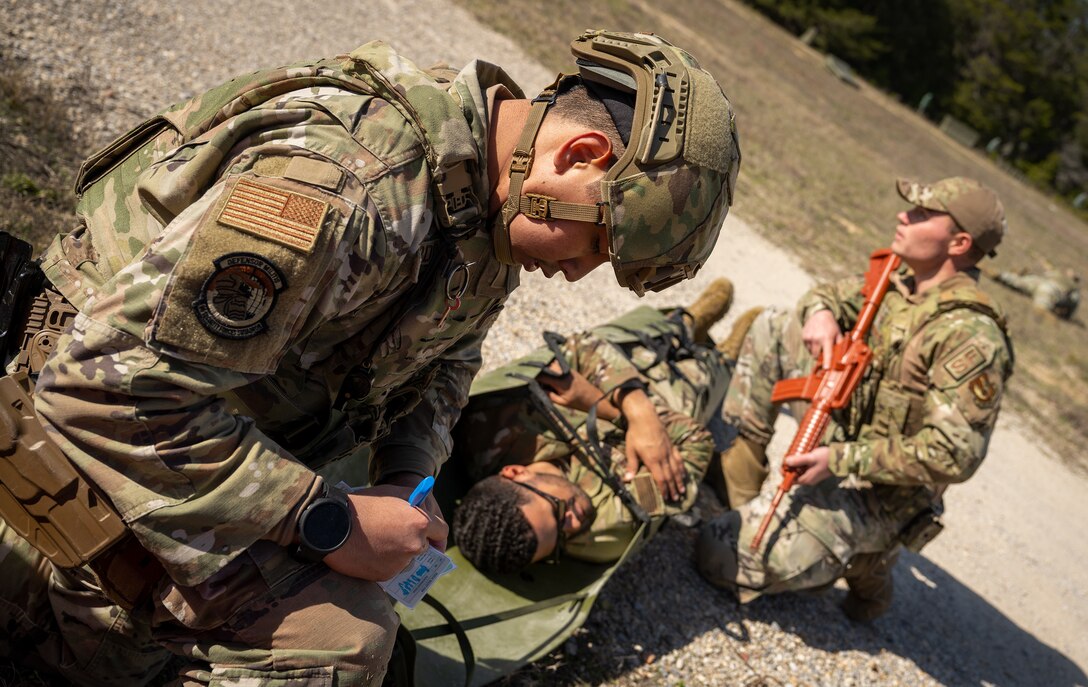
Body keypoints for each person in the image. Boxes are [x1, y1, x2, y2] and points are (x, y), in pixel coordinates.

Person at [0, 30, 741, 686]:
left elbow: (451, 358)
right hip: (65, 450)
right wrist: (326, 520)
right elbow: (101, 389)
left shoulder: (485, 202)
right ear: (580, 155)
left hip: (212, 427)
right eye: (598, 243)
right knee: (344, 642)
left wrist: (408, 479)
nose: (577, 273)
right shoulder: (355, 186)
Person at [697, 176, 1014, 622]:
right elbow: (828, 294)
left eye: (923, 214)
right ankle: (741, 471)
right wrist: (821, 315)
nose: (904, 217)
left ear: (959, 242)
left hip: (879, 492)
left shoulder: (970, 337)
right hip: (846, 431)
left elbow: (955, 454)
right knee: (774, 325)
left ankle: (867, 563)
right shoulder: (903, 279)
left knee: (715, 553)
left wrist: (841, 459)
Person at [452, 279, 762, 573]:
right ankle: (728, 354)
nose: (574, 525)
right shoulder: (605, 530)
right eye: (560, 542)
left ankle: (691, 320)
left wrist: (637, 410)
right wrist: (607, 408)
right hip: (677, 399)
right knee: (712, 371)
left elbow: (581, 346)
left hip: (633, 361)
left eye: (559, 515)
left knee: (663, 331)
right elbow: (696, 442)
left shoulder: (489, 432)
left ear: (516, 473)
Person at [990, 266, 1080, 319]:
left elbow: (1072, 303)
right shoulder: (1061, 276)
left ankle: (1002, 276)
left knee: (1021, 283)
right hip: (1044, 284)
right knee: (1023, 282)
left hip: (1047, 285)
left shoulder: (1070, 285)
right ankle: (1001, 276)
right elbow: (1045, 274)